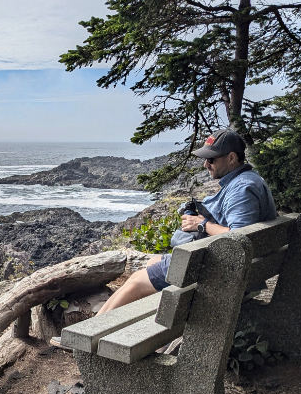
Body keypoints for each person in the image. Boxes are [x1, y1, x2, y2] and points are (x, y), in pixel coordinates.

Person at [96, 129, 277, 316]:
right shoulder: (249, 180)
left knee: (136, 280)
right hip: (242, 269)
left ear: (232, 158)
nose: (206, 164)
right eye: (205, 159)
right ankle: (140, 322)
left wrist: (202, 224)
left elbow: (240, 237)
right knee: (152, 262)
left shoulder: (241, 188)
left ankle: (89, 332)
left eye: (212, 159)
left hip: (226, 273)